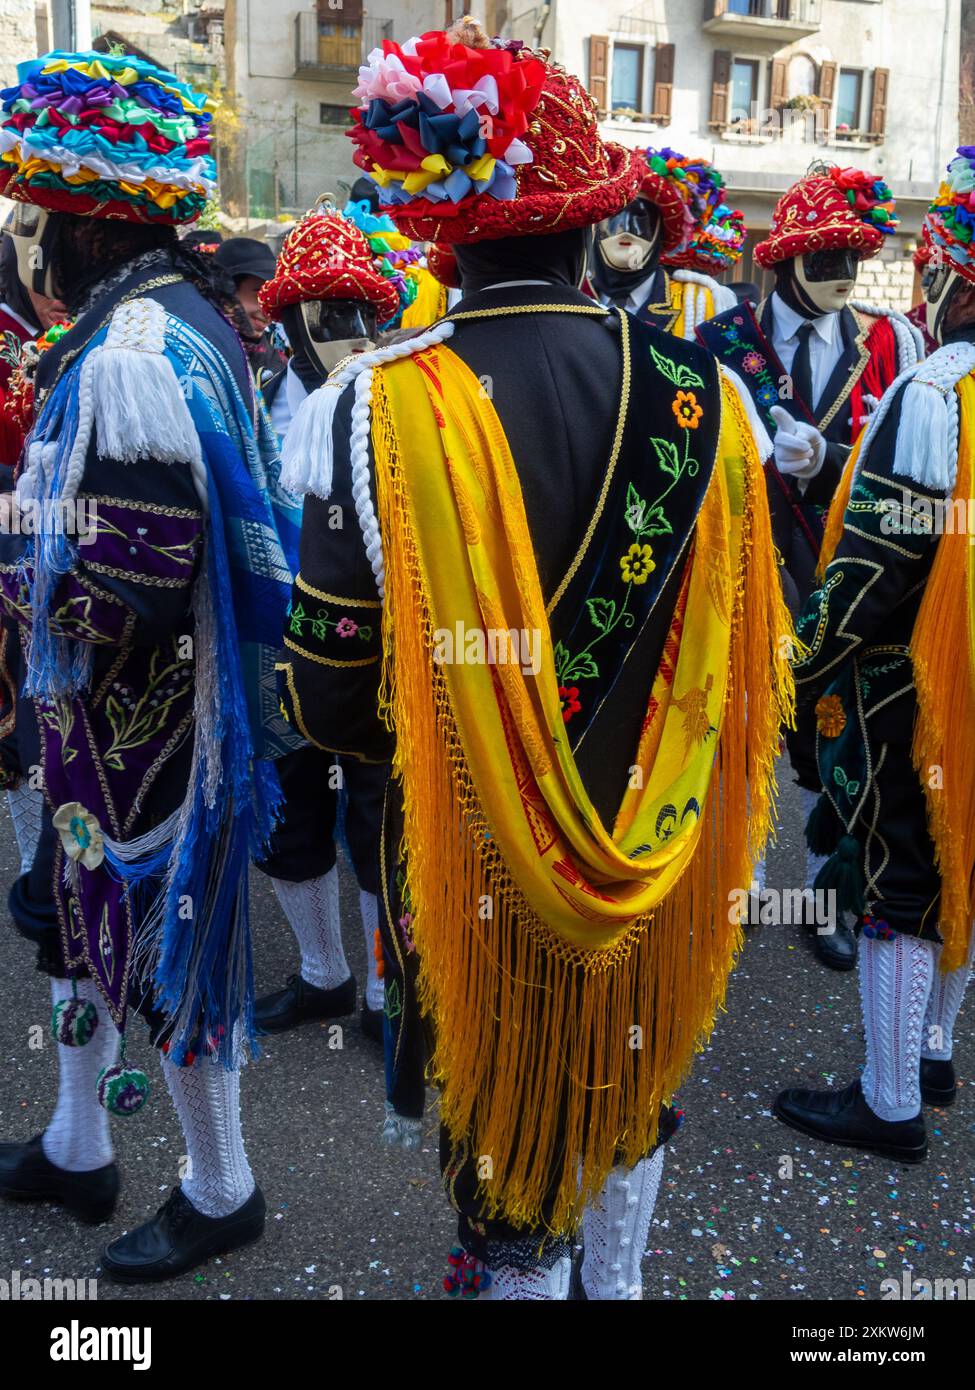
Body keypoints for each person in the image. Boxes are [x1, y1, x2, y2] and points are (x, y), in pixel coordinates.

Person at [280, 20, 793, 1299]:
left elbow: (329, 690)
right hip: (653, 837)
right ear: (589, 230)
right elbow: (743, 662)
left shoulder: (377, 404)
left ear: (445, 233)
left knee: (496, 1103)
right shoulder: (707, 397)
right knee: (629, 1071)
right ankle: (612, 1286)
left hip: (468, 856)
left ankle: (522, 1271)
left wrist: (476, 746)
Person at [0, 49, 300, 1281]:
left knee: (162, 940)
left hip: (150, 724)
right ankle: (79, 1144)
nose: (27, 236)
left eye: (37, 214)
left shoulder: (129, 342)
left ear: (83, 221)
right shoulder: (176, 312)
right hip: (120, 721)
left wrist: (15, 576)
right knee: (78, 927)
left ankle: (221, 1186)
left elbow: (129, 568)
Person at [773, 149, 975, 1162]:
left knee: (904, 873)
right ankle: (933, 1047)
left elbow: (872, 570)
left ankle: (891, 1101)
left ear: (946, 280)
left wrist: (799, 662)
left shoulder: (936, 394)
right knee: (967, 861)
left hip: (919, 685)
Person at [698, 164, 925, 972]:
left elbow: (911, 463)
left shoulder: (894, 342)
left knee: (834, 742)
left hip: (847, 573)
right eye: (822, 260)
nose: (840, 278)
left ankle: (825, 895)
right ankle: (747, 888)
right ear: (782, 262)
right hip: (753, 562)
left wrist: (827, 457)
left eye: (849, 263)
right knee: (747, 729)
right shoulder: (718, 342)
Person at [252, 205, 401, 1039]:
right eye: (327, 313)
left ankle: (386, 993)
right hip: (278, 639)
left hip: (377, 650)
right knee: (290, 805)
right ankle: (322, 975)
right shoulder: (254, 396)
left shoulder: (406, 401)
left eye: (360, 312)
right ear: (288, 323)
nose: (348, 333)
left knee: (381, 814)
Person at [589, 148, 739, 337]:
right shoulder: (572, 299)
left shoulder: (703, 303)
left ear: (662, 229)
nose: (625, 229)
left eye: (641, 218)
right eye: (615, 215)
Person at [213, 235, 286, 379]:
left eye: (272, 297)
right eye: (259, 293)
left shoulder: (276, 363)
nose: (268, 310)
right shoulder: (205, 353)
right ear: (227, 292)